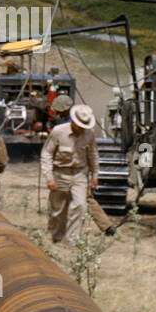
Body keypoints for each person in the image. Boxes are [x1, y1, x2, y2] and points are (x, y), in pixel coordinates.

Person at [50, 94, 117, 235]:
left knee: (82, 200)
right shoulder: (72, 122)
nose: (57, 113)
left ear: (65, 110)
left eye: (59, 111)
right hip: (72, 169)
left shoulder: (72, 125)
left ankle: (106, 227)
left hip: (75, 169)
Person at [40, 103, 99, 243]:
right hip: (60, 174)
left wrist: (95, 175)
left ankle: (72, 239)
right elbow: (46, 154)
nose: (81, 129)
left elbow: (93, 155)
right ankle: (57, 237)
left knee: (80, 206)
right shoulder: (58, 131)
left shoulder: (89, 134)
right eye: (79, 125)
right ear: (73, 121)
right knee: (58, 210)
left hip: (80, 174)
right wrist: (49, 177)